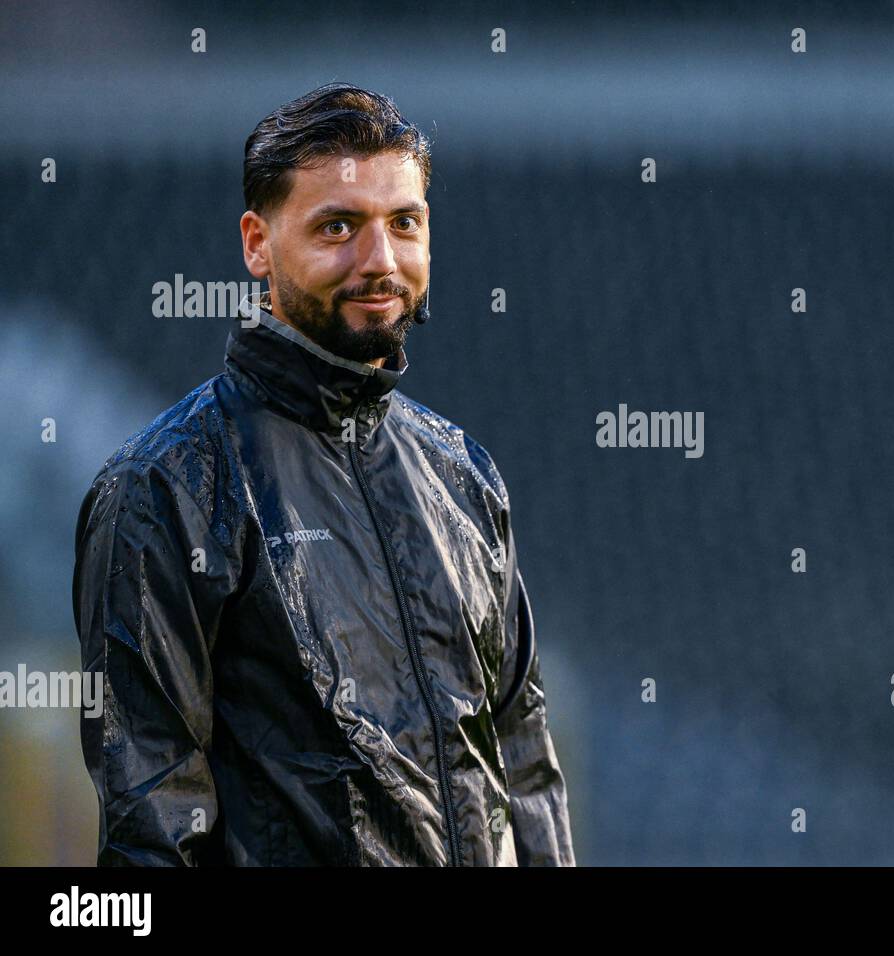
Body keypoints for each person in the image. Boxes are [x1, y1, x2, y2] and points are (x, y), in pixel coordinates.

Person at [71, 83, 574, 866]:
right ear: (257, 244)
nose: (380, 261)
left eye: (403, 223)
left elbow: (527, 768)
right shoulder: (162, 489)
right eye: (338, 226)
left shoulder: (464, 474)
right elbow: (153, 831)